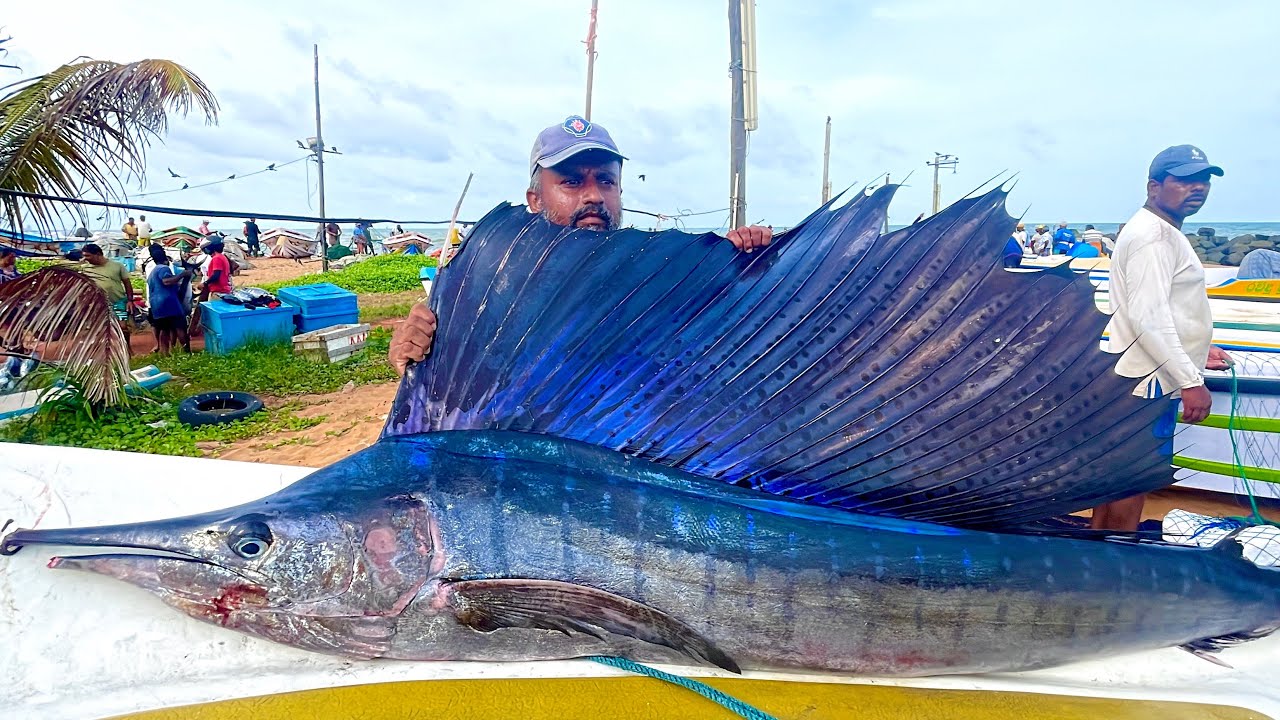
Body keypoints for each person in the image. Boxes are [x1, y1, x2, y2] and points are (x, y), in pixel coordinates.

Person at [389, 115, 774, 375]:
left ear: (620, 191)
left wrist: (743, 264)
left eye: (605, 181)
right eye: (572, 182)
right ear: (535, 199)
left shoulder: (662, 278)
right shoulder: (492, 289)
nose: (593, 196)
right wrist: (414, 357)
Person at [1092, 144, 1233, 531]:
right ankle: (1117, 563)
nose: (1198, 188)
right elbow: (1147, 317)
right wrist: (1191, 381)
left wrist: (1198, 350)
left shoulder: (1162, 232)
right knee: (1133, 479)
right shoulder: (1152, 237)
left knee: (1120, 478)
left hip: (1140, 375)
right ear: (1155, 186)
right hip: (1146, 383)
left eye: (1204, 180)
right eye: (1185, 180)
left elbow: (1166, 310)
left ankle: (1105, 552)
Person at [80, 243, 136, 348]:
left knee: (123, 327)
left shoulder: (117, 266)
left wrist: (130, 300)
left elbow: (127, 283)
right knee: (101, 328)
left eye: (88, 256)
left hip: (119, 302)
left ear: (97, 254)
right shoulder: (84, 269)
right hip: (98, 304)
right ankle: (106, 350)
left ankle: (126, 349)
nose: (85, 258)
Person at [145, 244, 192, 353]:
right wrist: (183, 274)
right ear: (166, 259)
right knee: (180, 327)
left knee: (164, 329)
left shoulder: (152, 271)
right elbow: (167, 281)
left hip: (156, 305)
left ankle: (165, 353)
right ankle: (187, 352)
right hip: (169, 302)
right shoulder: (164, 268)